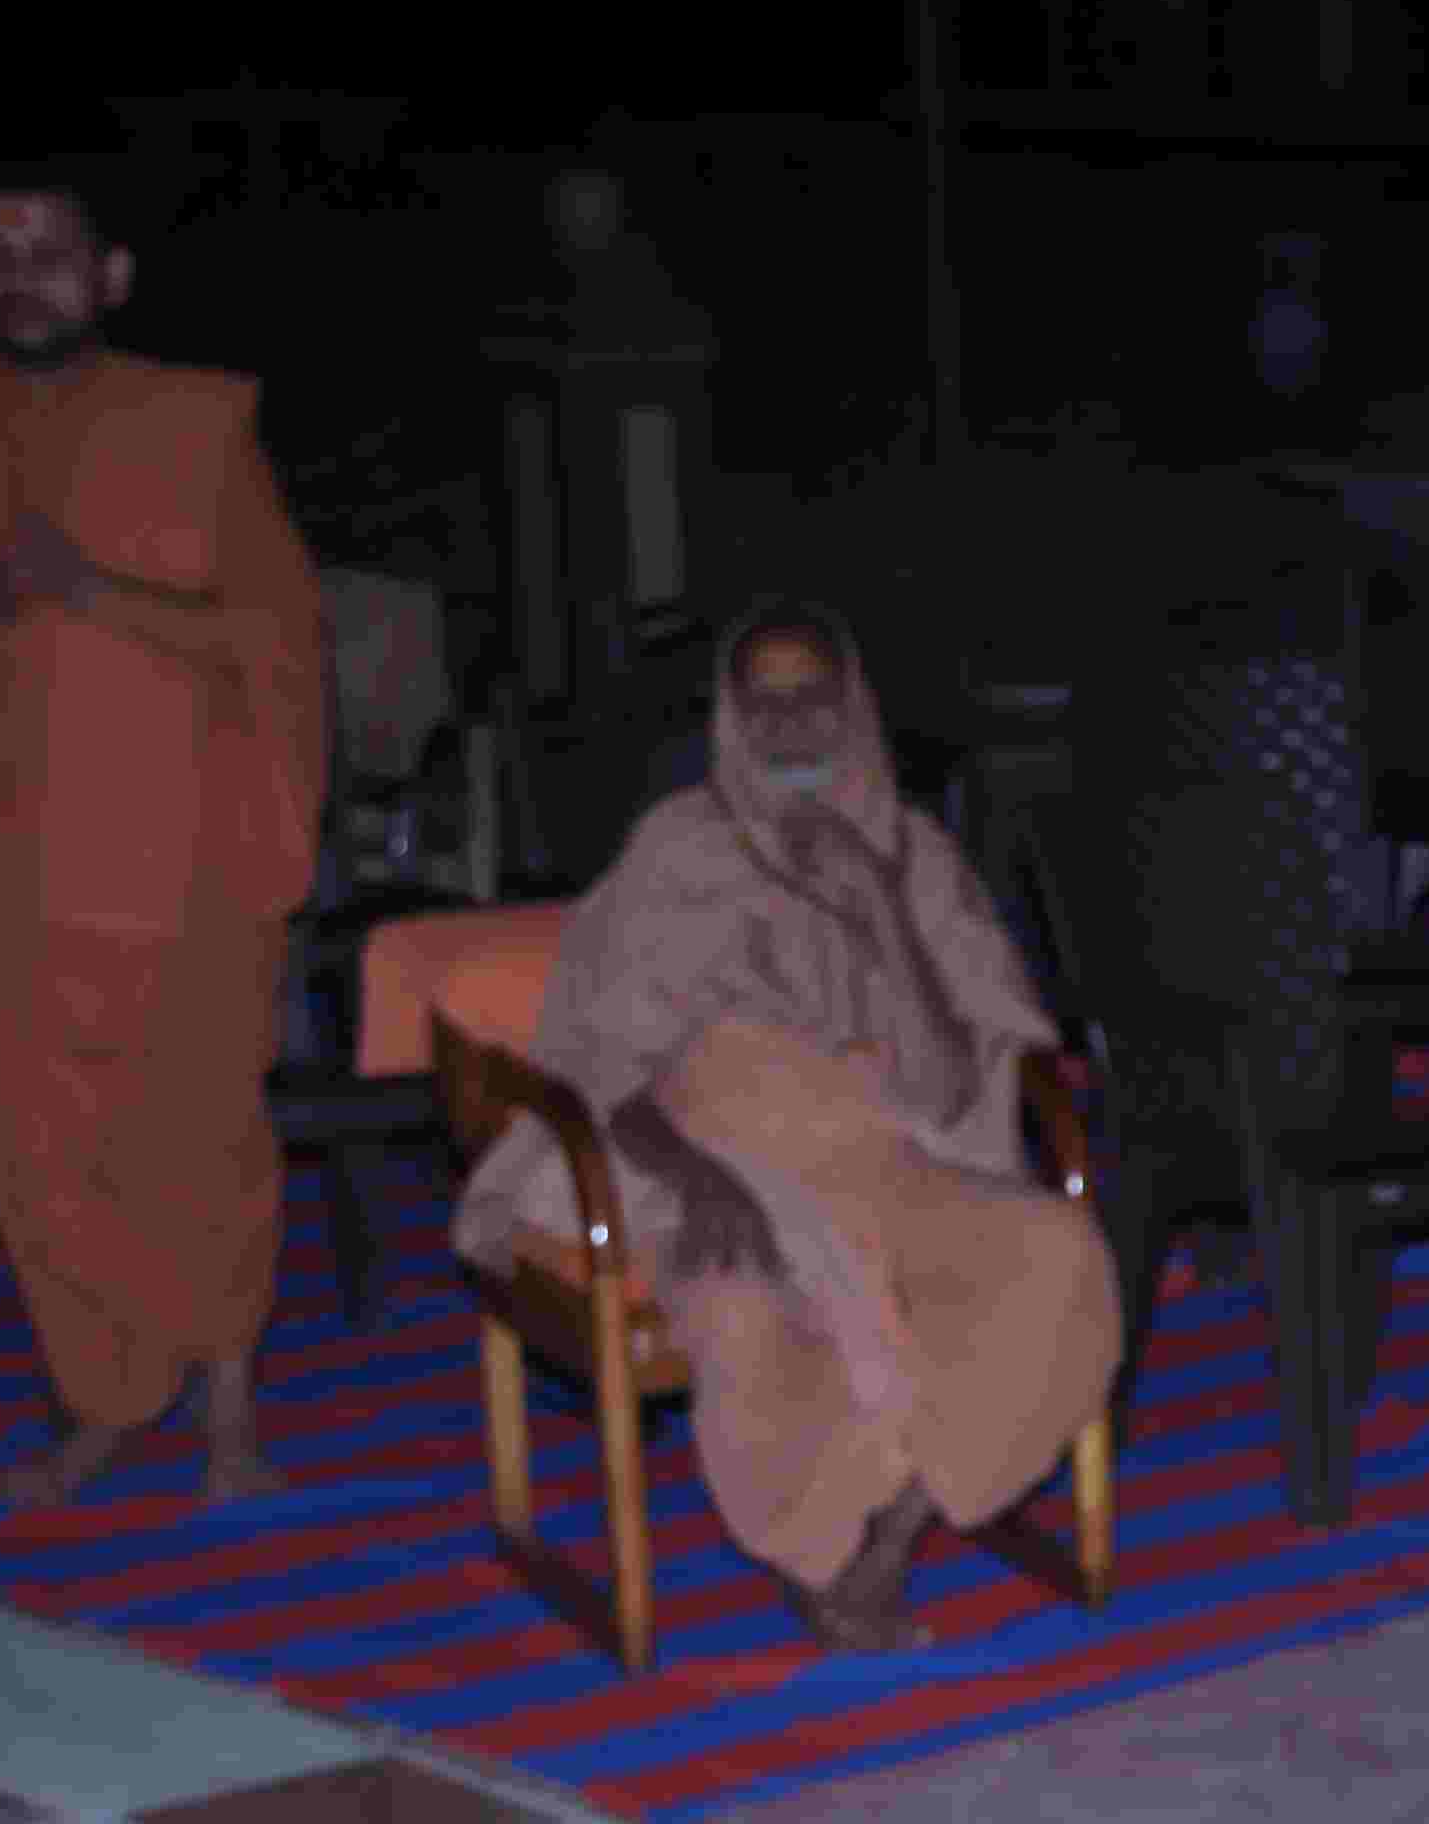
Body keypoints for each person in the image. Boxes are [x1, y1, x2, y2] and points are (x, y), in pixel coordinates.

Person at [452, 606, 1124, 1654]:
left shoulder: (917, 855)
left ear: (853, 707)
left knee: (1058, 1255)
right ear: (730, 718)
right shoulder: (679, 849)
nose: (790, 725)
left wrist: (880, 900)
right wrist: (696, 1177)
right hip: (715, 1160)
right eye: (763, 703)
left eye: (813, 697)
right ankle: (817, 1547)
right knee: (745, 1304)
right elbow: (603, 1063)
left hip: (897, 1160)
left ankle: (887, 1539)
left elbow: (956, 1084)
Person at [0, 170, 327, 1510]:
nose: (21, 278)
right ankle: (106, 1400)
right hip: (7, 856)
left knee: (200, 1134)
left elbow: (276, 636)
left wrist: (95, 592)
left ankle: (229, 1412)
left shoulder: (193, 424)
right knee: (39, 1152)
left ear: (110, 275)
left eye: (49, 252)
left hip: (187, 850)